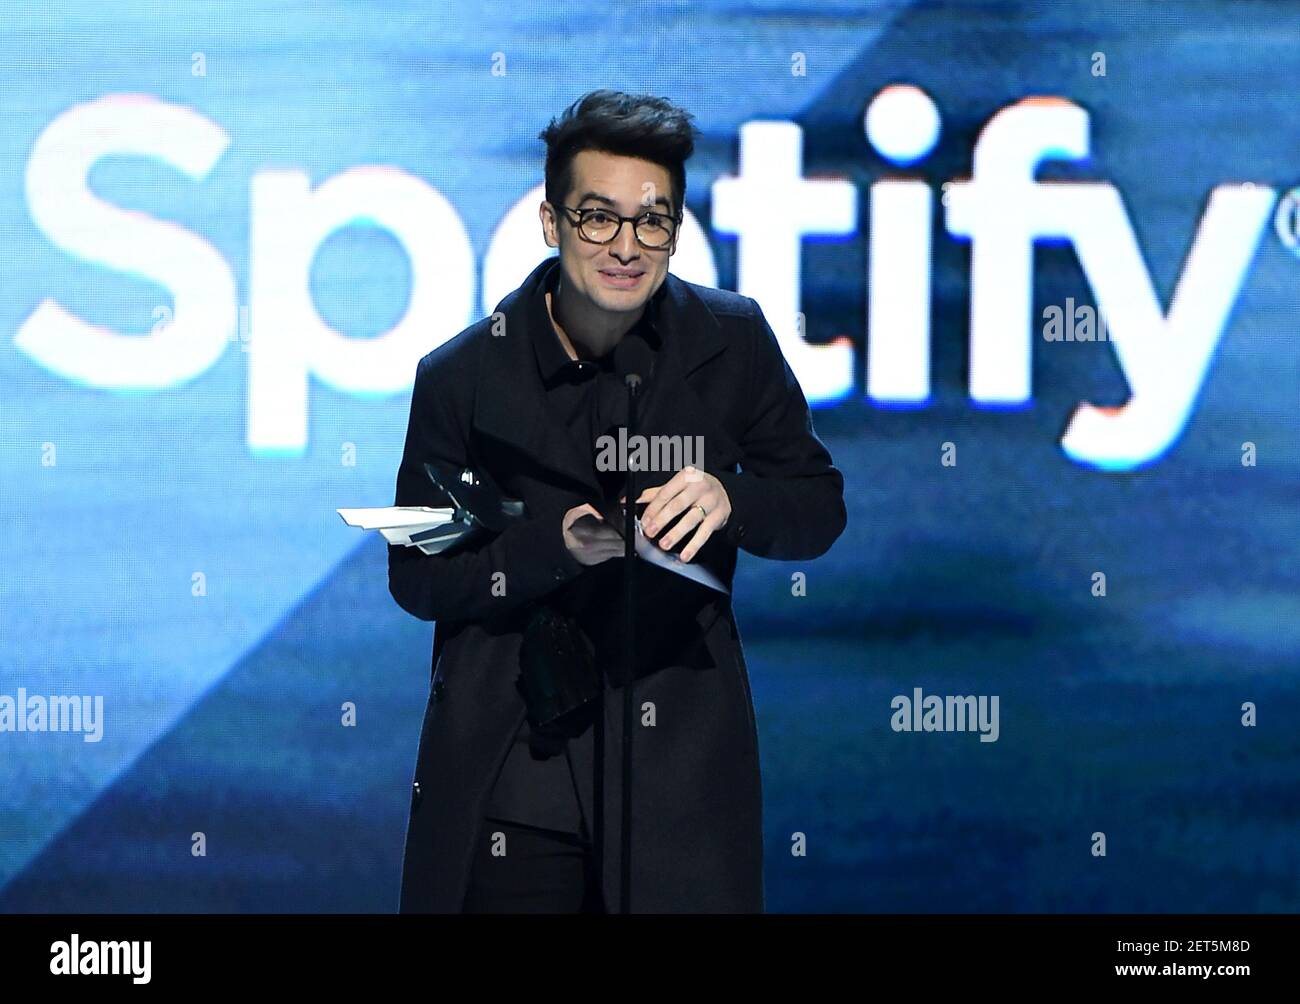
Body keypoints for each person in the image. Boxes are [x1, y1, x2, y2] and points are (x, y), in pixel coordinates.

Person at [390, 89, 846, 913]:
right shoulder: (462, 376)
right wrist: (548, 549)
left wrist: (729, 499)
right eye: (598, 218)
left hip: (678, 772)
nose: (627, 247)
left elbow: (817, 506)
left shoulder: (730, 342)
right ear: (551, 221)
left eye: (654, 221)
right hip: (518, 775)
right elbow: (418, 577)